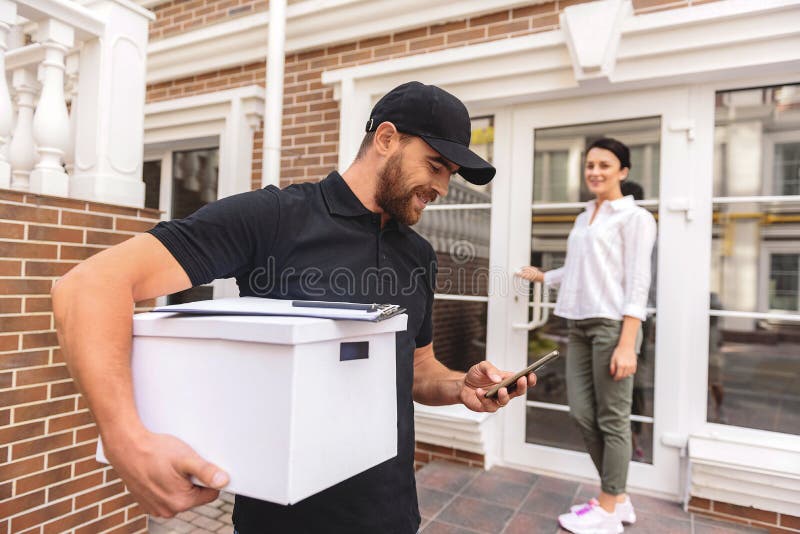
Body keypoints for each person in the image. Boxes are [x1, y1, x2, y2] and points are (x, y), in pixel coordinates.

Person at [52, 81, 536, 534]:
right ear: (386, 139)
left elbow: (416, 368)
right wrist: (125, 439)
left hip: (393, 514)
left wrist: (460, 387)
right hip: (282, 521)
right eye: (435, 166)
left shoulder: (419, 256)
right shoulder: (276, 217)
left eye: (450, 175)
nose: (443, 188)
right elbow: (89, 285)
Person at [517, 138, 657, 534]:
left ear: (623, 172)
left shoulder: (635, 218)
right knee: (581, 413)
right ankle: (619, 499)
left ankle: (609, 507)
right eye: (590, 165)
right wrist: (545, 277)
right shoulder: (585, 216)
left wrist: (628, 341)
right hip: (577, 324)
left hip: (612, 326)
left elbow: (638, 282)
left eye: (605, 165)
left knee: (612, 419)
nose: (595, 172)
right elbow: (581, 268)